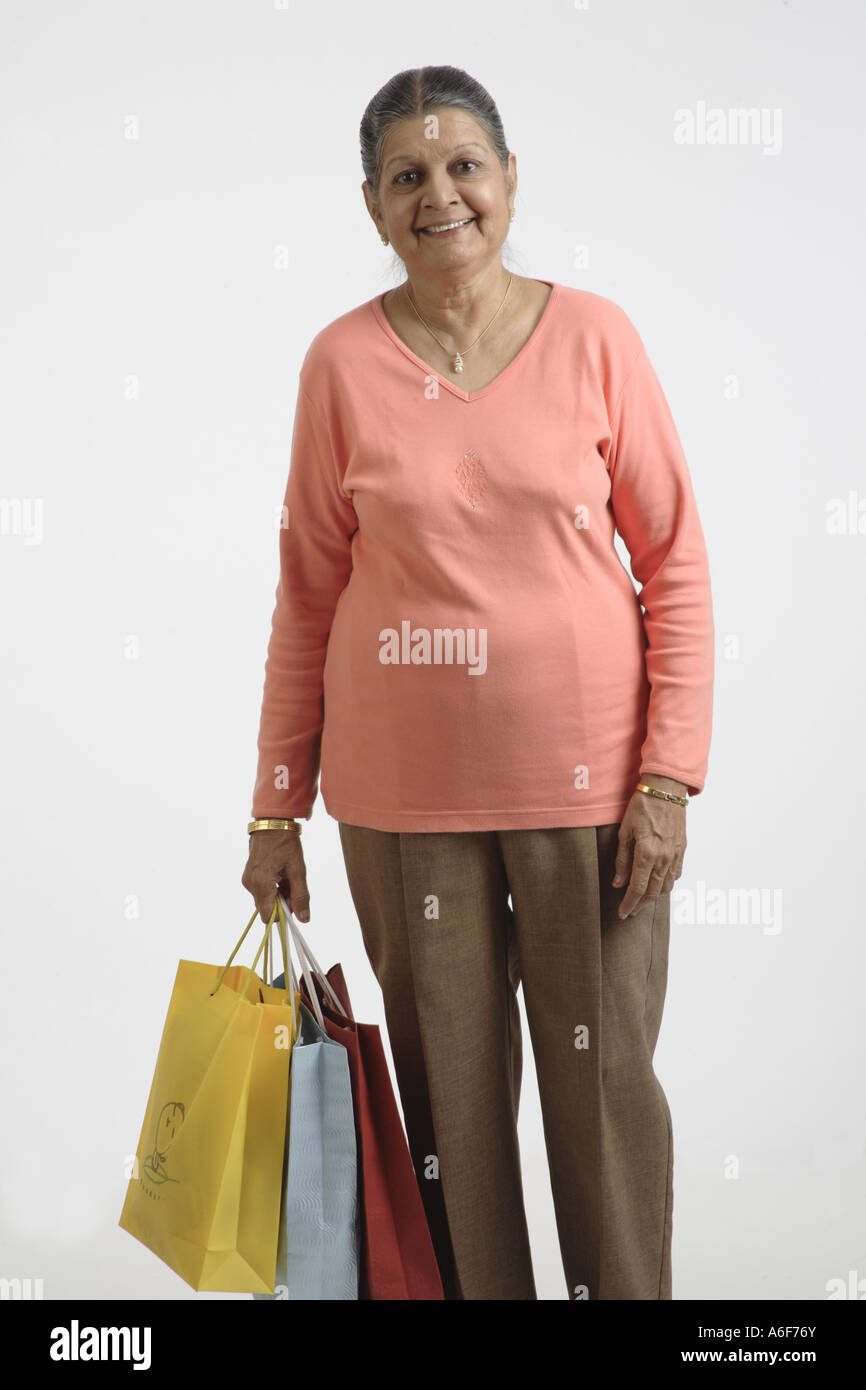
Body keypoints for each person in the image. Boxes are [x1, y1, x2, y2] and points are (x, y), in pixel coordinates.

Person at [242, 64, 714, 1301]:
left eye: (463, 167)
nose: (438, 195)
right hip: (402, 808)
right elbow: (305, 590)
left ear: (508, 182)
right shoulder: (337, 366)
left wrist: (667, 773)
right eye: (407, 175)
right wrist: (273, 804)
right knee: (451, 1107)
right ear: (370, 205)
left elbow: (674, 563)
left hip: (593, 792)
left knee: (601, 1087)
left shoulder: (597, 337)